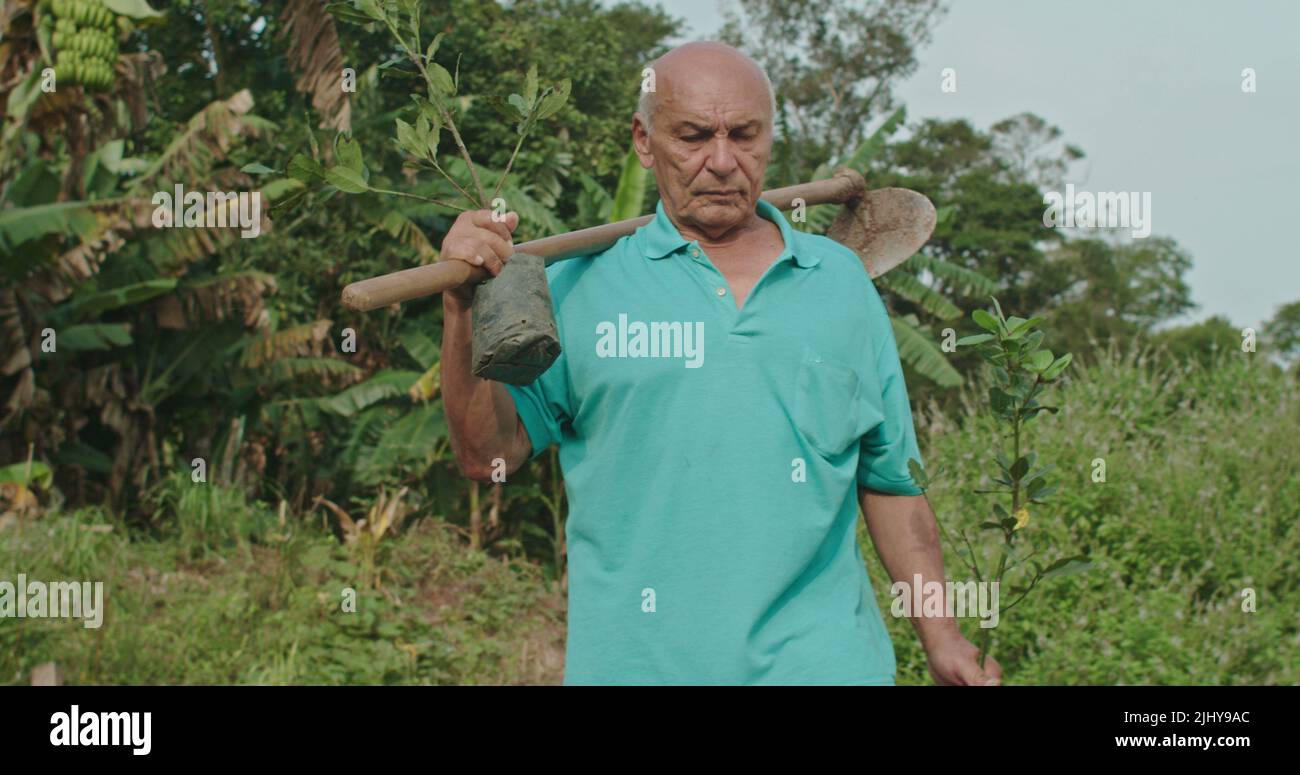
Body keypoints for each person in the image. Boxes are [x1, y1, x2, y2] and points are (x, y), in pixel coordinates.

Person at [438, 41, 1002, 686]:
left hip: (825, 666)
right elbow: (488, 458)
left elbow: (891, 484)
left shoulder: (839, 282)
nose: (724, 162)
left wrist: (945, 637)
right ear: (644, 141)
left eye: (745, 135)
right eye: (694, 136)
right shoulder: (576, 289)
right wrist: (461, 308)